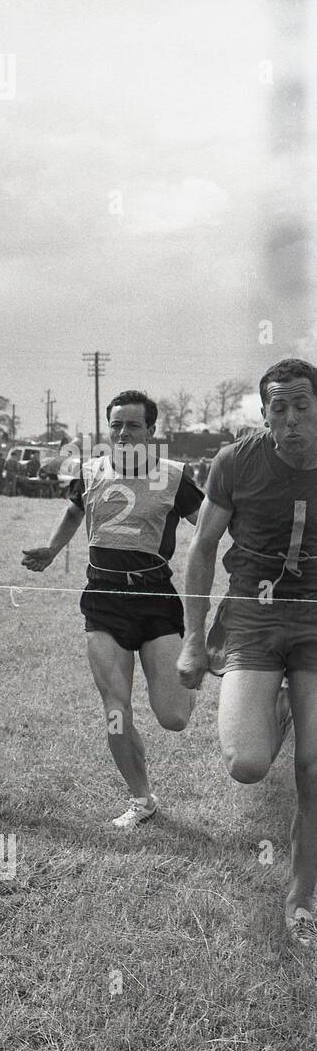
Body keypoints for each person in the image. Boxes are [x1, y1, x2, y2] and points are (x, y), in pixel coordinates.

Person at [178, 356, 317, 948]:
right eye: (277, 408)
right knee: (248, 765)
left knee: (313, 768)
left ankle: (302, 895)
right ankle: (280, 707)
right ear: (264, 414)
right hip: (253, 618)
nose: (289, 419)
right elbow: (203, 547)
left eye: (301, 406)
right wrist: (191, 638)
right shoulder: (236, 461)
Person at [22, 391, 202, 826]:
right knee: (116, 711)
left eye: (133, 425)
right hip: (103, 600)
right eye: (116, 425)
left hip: (156, 600)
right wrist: (50, 549)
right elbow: (73, 512)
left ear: (151, 431)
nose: (123, 433)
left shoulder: (174, 476)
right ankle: (142, 800)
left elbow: (211, 526)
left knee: (174, 718)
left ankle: (194, 673)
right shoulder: (91, 471)